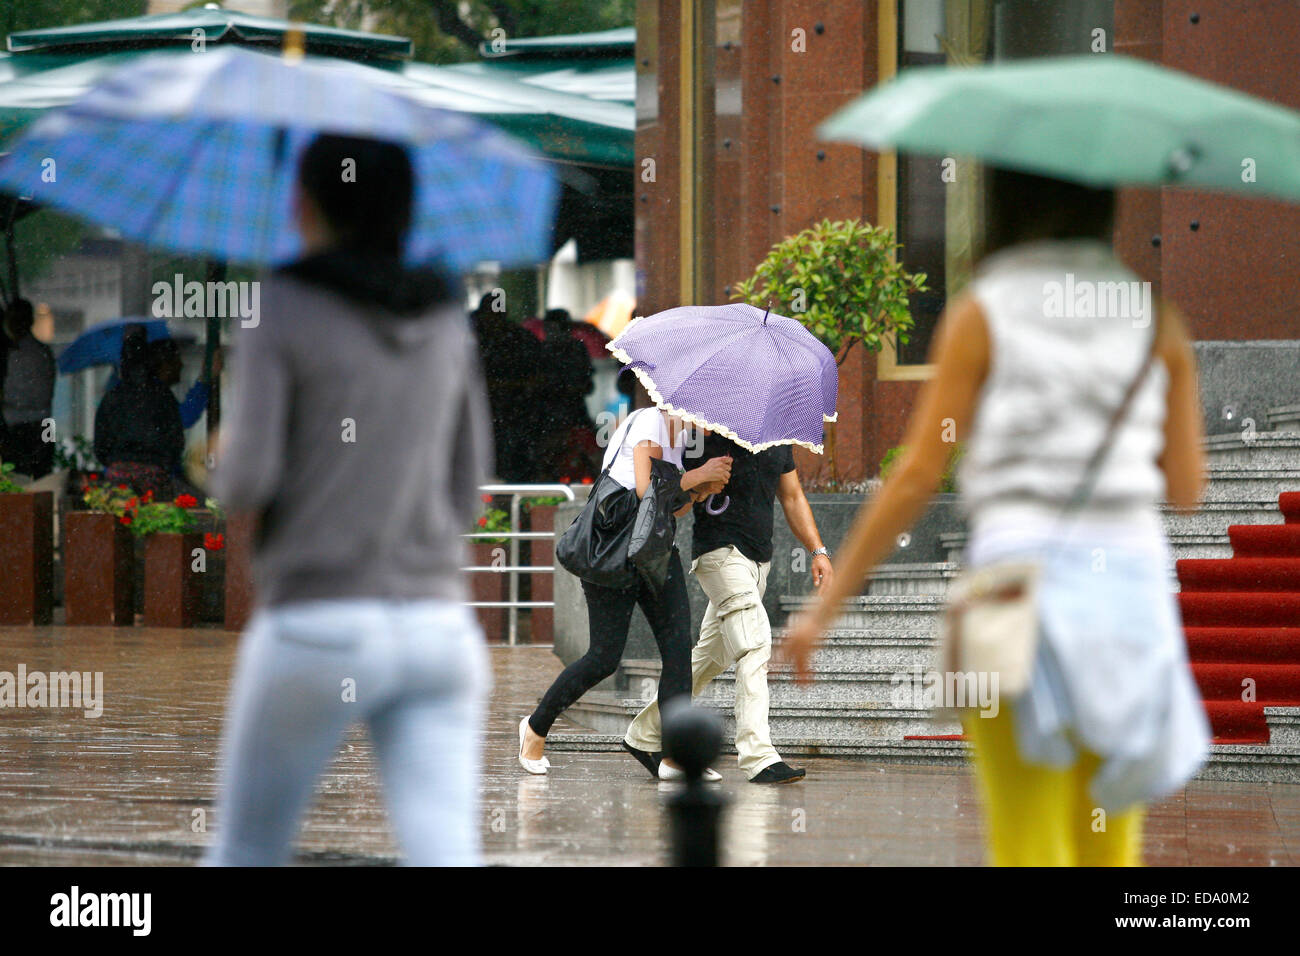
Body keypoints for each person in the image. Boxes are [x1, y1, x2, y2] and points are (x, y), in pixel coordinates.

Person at [784, 168, 1211, 866]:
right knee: (1109, 846)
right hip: (1129, 598)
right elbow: (1188, 487)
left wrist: (823, 609)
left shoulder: (983, 313)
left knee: (1026, 843)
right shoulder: (1155, 321)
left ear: (1003, 205)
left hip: (1013, 596)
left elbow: (919, 471)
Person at [205, 133, 493, 866]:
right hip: (438, 631)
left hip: (316, 622)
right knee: (444, 854)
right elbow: (467, 490)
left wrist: (222, 452)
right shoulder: (442, 319)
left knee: (246, 848)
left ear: (305, 203)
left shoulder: (285, 305)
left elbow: (247, 481)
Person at [518, 405, 733, 773]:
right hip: (612, 552)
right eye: (711, 416)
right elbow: (646, 487)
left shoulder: (677, 437)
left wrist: (698, 492)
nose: (712, 426)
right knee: (604, 658)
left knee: (679, 651)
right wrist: (695, 475)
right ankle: (535, 728)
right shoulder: (649, 421)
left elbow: (665, 508)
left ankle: (675, 757)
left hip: (654, 553)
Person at [623, 432, 834, 783]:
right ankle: (758, 756)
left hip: (758, 563)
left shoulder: (777, 436)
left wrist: (818, 550)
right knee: (755, 645)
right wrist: (702, 478)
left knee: (710, 659)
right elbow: (672, 497)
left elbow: (793, 496)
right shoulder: (705, 432)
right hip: (720, 555)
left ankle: (644, 734)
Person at [93, 324, 184, 500]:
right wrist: (161, 464)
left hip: (118, 475)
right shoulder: (163, 395)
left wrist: (117, 462)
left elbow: (100, 445)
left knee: (120, 521)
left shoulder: (112, 397)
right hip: (155, 475)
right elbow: (175, 440)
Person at [0, 299, 55, 479]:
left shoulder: (11, 354)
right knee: (43, 477)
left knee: (17, 478)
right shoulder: (44, 352)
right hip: (45, 422)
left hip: (16, 424)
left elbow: (12, 394)